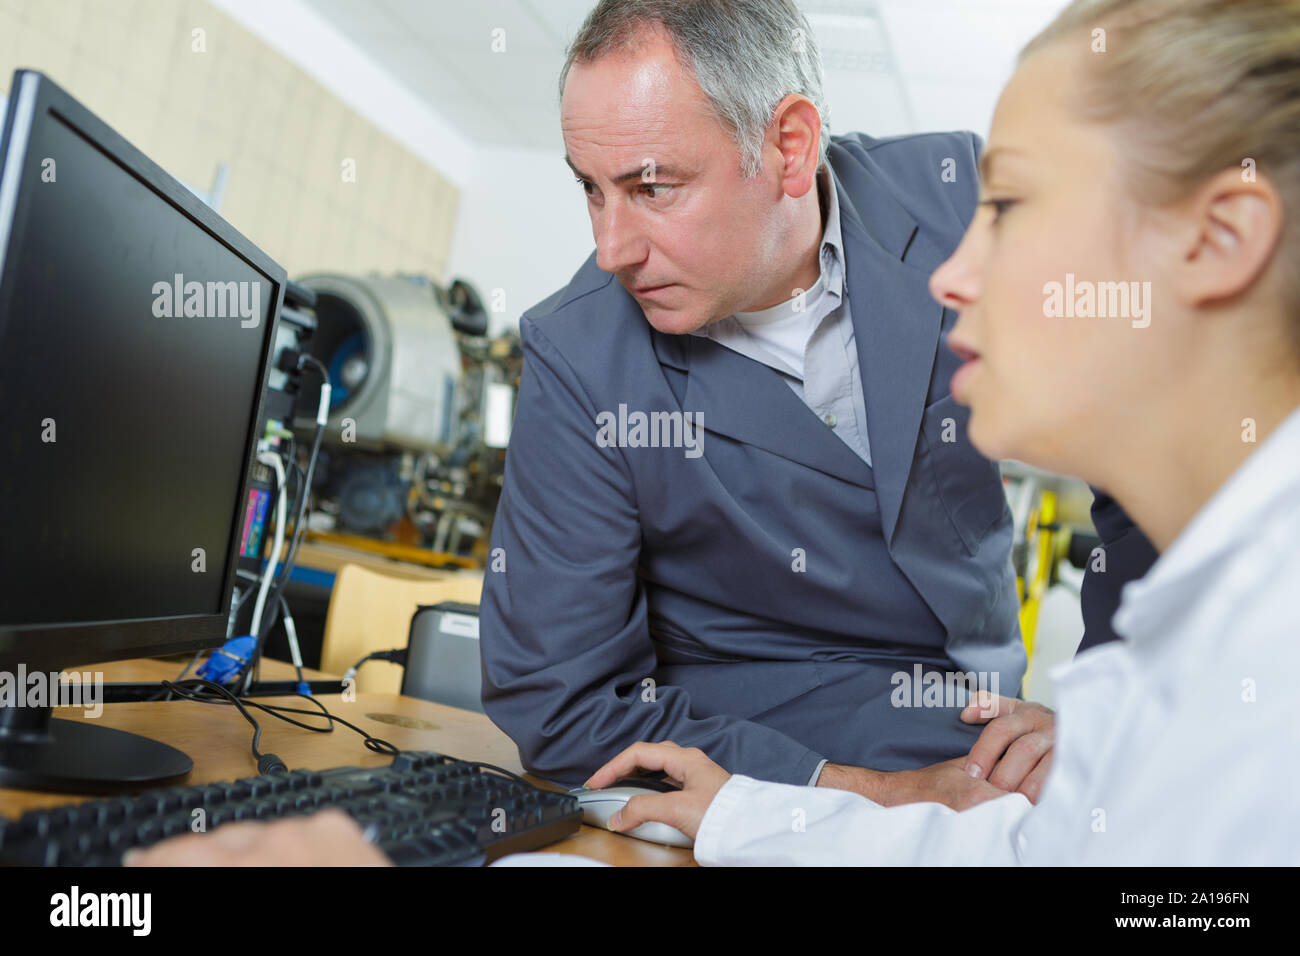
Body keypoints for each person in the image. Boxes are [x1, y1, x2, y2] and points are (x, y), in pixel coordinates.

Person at [578, 0, 1300, 864]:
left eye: (1011, 205)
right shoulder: (1205, 645)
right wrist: (754, 814)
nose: (951, 273)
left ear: (1220, 237)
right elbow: (1045, 852)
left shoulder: (1263, 674)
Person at [477, 0, 1037, 806]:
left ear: (789, 147)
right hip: (764, 752)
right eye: (592, 190)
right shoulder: (578, 357)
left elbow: (1159, 439)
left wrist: (1118, 696)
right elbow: (561, 702)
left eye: (653, 188)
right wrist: (868, 794)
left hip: (996, 722)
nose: (611, 248)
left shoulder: (958, 202)